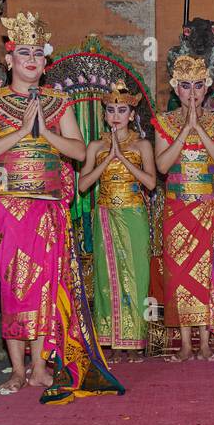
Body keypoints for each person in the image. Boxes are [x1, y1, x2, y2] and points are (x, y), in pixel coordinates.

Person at [0, 11, 121, 402]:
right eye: (24, 53)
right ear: (10, 59)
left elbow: (78, 149)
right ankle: (17, 370)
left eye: (38, 53)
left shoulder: (58, 102)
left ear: (45, 60)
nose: (32, 60)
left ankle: (39, 368)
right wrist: (22, 131)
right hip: (11, 205)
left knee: (45, 287)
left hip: (48, 206)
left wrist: (45, 133)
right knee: (15, 285)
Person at [153, 55, 214, 362]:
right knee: (180, 275)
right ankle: (185, 343)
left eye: (198, 86)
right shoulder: (163, 122)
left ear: (207, 88)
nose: (192, 93)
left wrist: (200, 128)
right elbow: (162, 165)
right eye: (185, 86)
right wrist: (185, 129)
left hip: (208, 207)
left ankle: (208, 342)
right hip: (178, 208)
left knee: (209, 276)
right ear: (176, 89)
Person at [78, 80, 155, 362]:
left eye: (122, 110)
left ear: (132, 114)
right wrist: (107, 158)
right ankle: (112, 343)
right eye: (110, 110)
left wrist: (123, 159)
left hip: (133, 215)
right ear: (105, 113)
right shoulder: (96, 146)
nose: (116, 116)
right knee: (106, 277)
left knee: (136, 276)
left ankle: (134, 343)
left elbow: (151, 182)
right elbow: (83, 185)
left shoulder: (142, 145)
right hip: (105, 215)